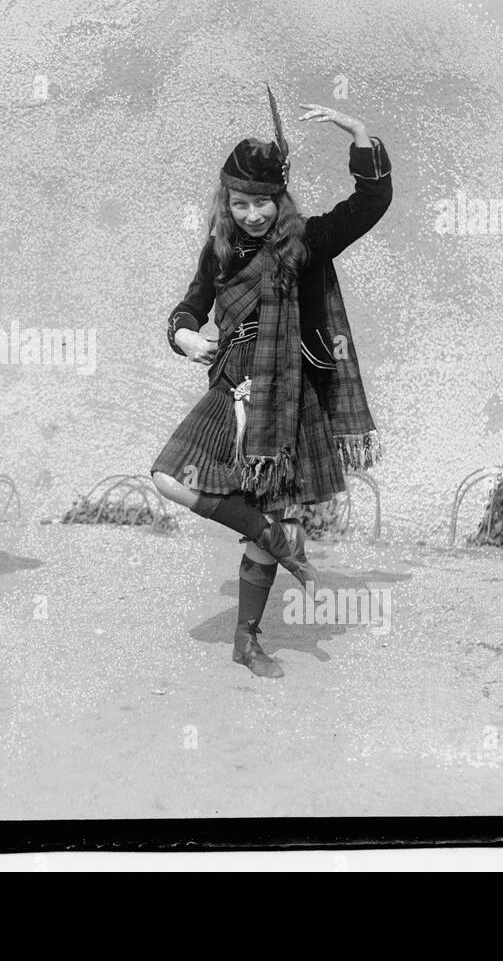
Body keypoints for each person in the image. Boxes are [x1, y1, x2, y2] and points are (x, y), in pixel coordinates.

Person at [151, 88, 391, 679]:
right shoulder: (219, 252)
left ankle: (246, 640)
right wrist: (184, 336)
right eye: (241, 203)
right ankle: (277, 537)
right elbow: (188, 309)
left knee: (268, 517)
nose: (252, 214)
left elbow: (370, 202)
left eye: (263, 202)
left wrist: (358, 133)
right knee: (167, 478)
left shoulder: (304, 242)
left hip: (286, 398)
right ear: (226, 202)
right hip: (230, 388)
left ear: (278, 199)